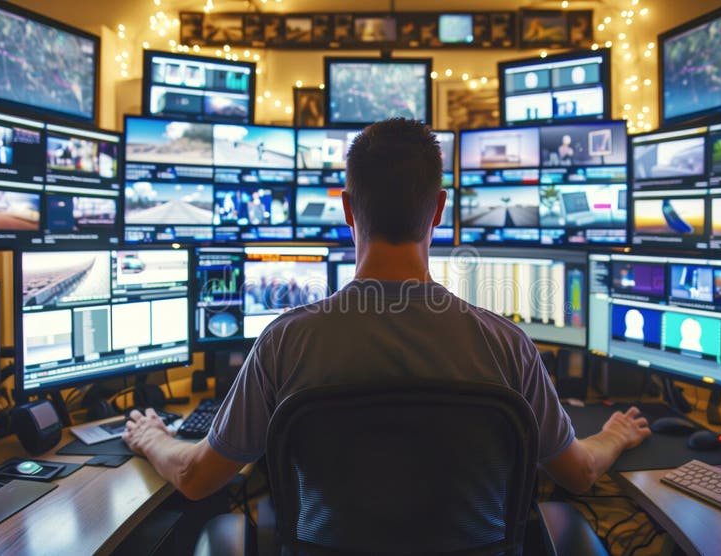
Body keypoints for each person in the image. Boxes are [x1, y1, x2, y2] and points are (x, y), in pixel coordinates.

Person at [123, 118, 651, 501]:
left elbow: (195, 479)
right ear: (439, 210)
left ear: (347, 209)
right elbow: (578, 475)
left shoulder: (284, 342)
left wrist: (153, 440)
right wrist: (614, 434)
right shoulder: (508, 346)